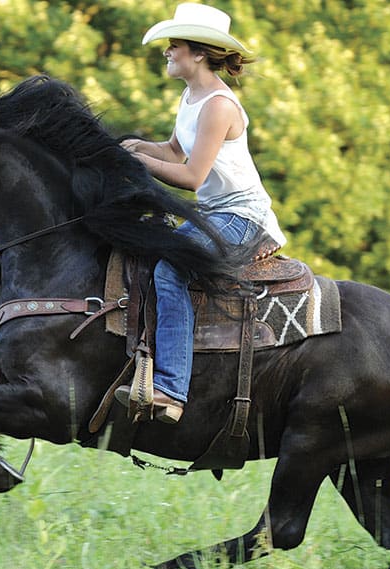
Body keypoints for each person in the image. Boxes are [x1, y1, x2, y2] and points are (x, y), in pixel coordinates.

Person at [116, 2, 286, 424]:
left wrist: (138, 163)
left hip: (242, 218)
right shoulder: (192, 96)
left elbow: (191, 176)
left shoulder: (219, 106)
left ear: (199, 53)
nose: (167, 52)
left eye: (174, 45)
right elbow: (174, 151)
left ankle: (171, 390)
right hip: (214, 213)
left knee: (170, 270)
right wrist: (133, 146)